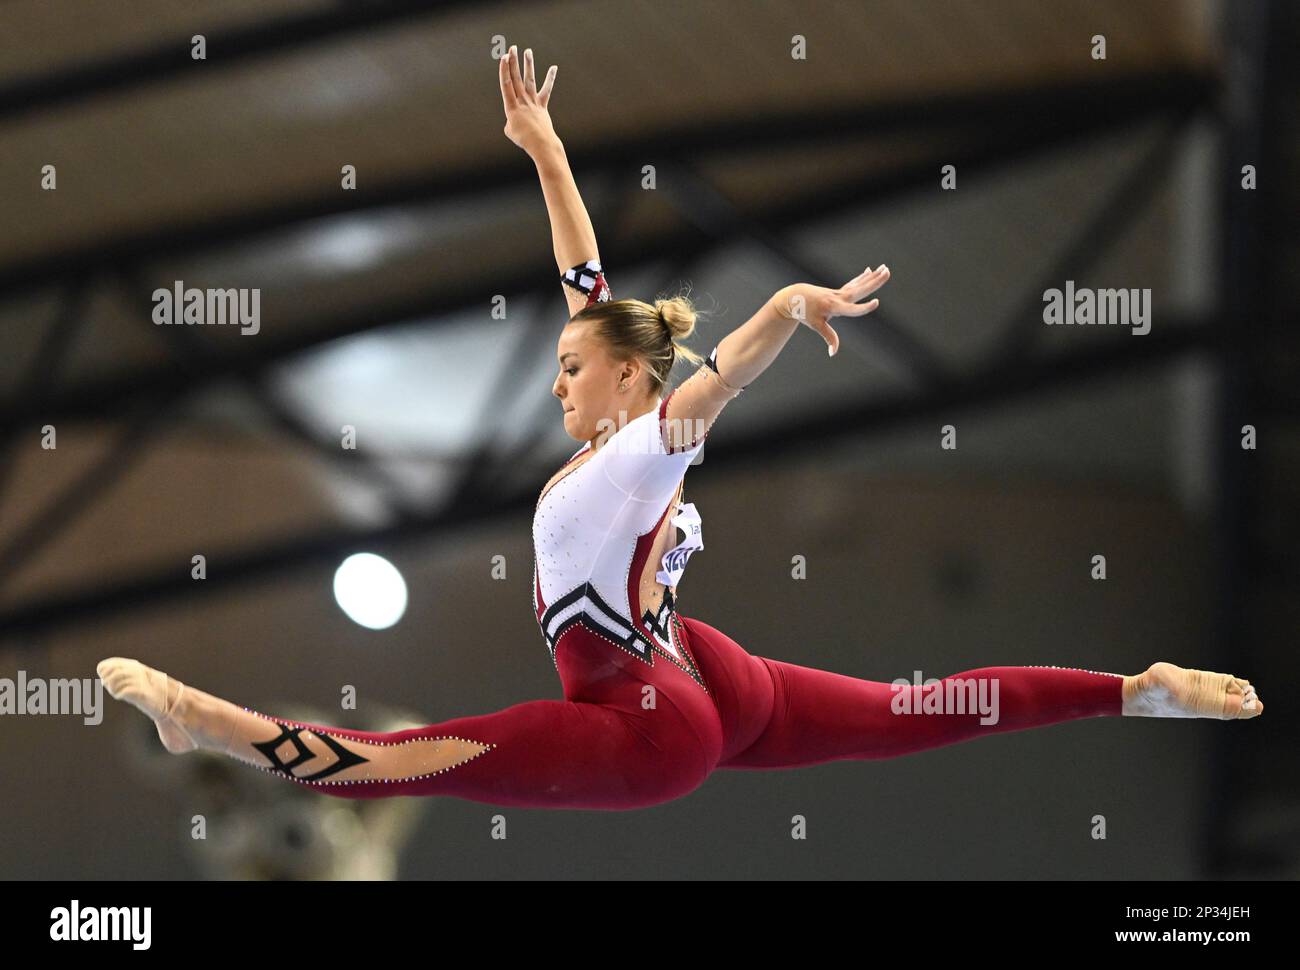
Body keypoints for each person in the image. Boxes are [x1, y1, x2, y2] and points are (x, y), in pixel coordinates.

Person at [96, 45, 1261, 812]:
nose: (555, 387)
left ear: (619, 384)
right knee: (912, 710)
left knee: (413, 755)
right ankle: (1127, 688)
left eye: (567, 372)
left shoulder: (623, 460)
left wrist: (782, 308)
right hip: (703, 672)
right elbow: (585, 283)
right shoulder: (620, 427)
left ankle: (211, 725)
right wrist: (549, 154)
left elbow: (709, 393)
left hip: (644, 719)